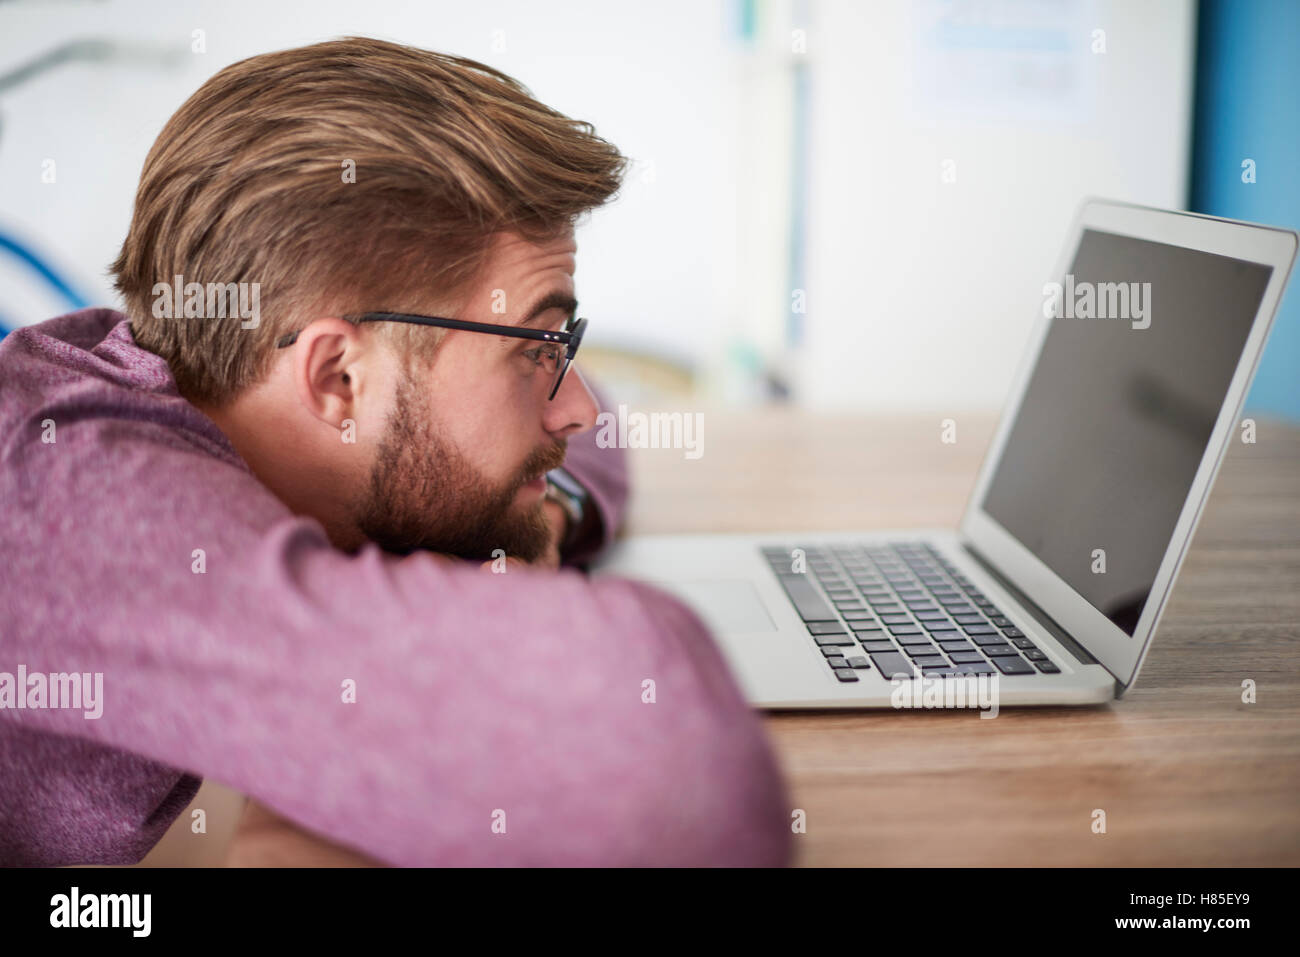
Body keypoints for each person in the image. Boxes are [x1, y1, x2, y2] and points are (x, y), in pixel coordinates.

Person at [0, 37, 791, 867]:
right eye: (535, 349)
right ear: (338, 375)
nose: (581, 409)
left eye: (558, 346)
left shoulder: (210, 393)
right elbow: (685, 776)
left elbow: (594, 423)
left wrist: (542, 509)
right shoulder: (82, 508)